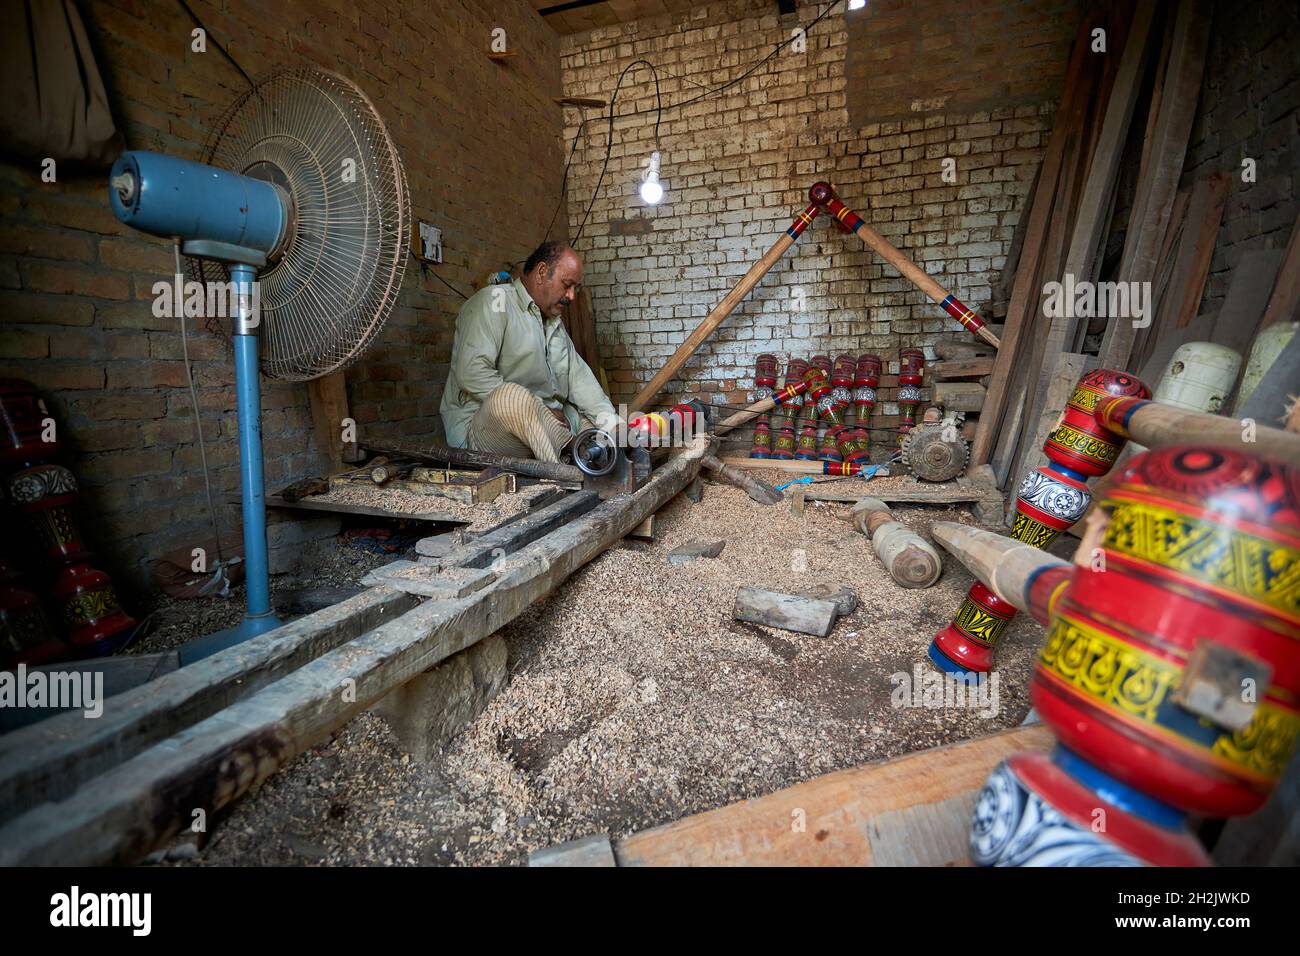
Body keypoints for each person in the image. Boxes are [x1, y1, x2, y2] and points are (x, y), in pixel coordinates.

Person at [439, 240, 617, 462]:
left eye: (574, 288)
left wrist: (617, 428)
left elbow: (582, 384)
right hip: (484, 435)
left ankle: (584, 458)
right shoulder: (495, 302)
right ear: (542, 272)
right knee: (511, 397)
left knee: (595, 428)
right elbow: (472, 373)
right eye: (567, 284)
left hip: (545, 430)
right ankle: (561, 470)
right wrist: (541, 411)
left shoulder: (553, 323)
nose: (571, 296)